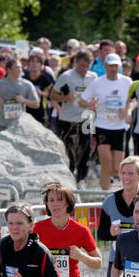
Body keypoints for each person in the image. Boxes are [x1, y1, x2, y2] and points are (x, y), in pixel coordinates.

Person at [0, 204, 63, 277]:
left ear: (31, 225)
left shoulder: (40, 251)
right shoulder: (3, 244)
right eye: (10, 223)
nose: (14, 227)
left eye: (19, 223)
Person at [80, 53, 130, 190]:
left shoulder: (126, 82)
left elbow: (134, 100)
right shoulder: (97, 82)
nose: (113, 68)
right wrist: (90, 105)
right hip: (102, 126)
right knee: (106, 162)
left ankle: (110, 184)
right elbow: (82, 101)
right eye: (110, 66)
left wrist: (128, 110)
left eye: (116, 66)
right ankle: (105, 193)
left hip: (120, 127)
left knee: (117, 167)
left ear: (119, 66)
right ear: (105, 66)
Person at [49, 50, 94, 185]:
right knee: (70, 150)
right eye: (82, 66)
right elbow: (52, 95)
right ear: (75, 62)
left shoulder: (93, 77)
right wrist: (65, 98)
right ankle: (69, 178)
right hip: (67, 118)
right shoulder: (66, 76)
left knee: (85, 149)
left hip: (87, 118)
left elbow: (97, 94)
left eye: (87, 66)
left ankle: (81, 180)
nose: (84, 69)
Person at [0, 58, 40, 129]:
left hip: (19, 125)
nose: (20, 70)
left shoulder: (27, 84)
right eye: (16, 67)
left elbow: (36, 104)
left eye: (20, 68)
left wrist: (24, 101)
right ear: (9, 70)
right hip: (2, 124)